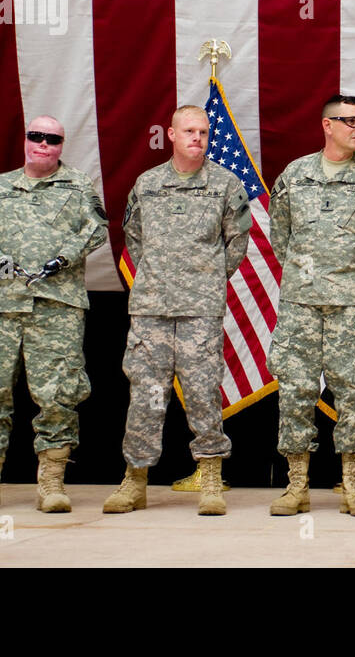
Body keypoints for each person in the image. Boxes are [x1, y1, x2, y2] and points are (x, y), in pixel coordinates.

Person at [0, 116, 108, 514]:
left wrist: (65, 257)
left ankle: (51, 483)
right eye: (36, 136)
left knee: (59, 393)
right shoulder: (0, 186)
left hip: (57, 304)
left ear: (61, 145)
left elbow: (97, 228)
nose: (43, 144)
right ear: (26, 140)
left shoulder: (78, 185)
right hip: (2, 305)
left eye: (52, 139)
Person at [103, 105, 251, 516]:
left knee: (203, 393)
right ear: (170, 134)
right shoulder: (147, 184)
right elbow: (134, 237)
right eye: (188, 131)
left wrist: (204, 278)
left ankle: (211, 478)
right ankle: (135, 480)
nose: (197, 138)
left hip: (200, 311)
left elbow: (237, 243)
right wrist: (158, 276)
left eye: (202, 132)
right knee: (146, 395)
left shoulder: (225, 184)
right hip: (151, 309)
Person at [266, 95, 355, 517]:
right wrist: (303, 274)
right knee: (296, 390)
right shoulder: (295, 175)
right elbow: (280, 233)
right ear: (327, 125)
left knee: (353, 392)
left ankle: (352, 485)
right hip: (302, 303)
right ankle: (296, 485)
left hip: (352, 305)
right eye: (349, 121)